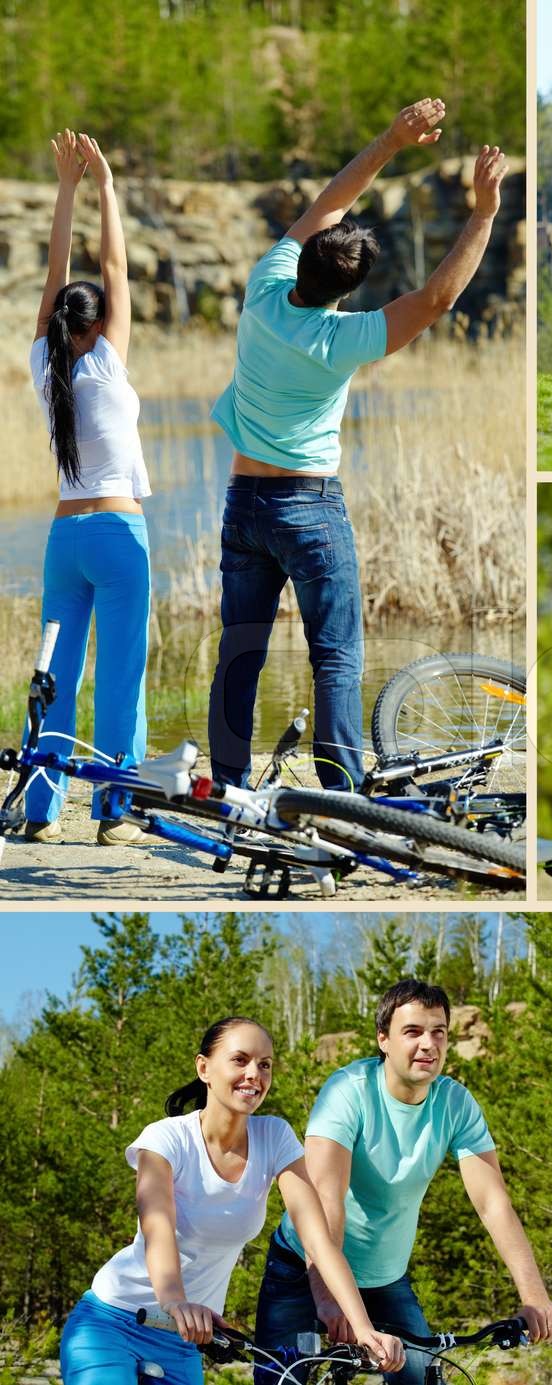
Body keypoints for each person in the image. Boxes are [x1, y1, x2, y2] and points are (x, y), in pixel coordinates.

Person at [207, 99, 508, 793]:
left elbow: (327, 202)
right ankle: (340, 801)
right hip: (308, 507)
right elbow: (435, 300)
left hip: (242, 501)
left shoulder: (265, 285)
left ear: (304, 259)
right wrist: (484, 212)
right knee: (336, 657)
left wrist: (390, 138)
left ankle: (226, 789)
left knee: (239, 653)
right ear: (350, 289)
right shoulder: (340, 340)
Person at [58, 1017, 406, 1385]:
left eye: (265, 1064)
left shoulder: (274, 1136)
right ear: (204, 1068)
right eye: (240, 1060)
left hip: (181, 1341)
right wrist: (175, 1301)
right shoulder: (165, 1139)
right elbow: (157, 1224)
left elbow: (319, 1242)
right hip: (111, 1323)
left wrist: (363, 1328)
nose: (255, 1074)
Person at [252, 979, 552, 1385]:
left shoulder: (455, 1103)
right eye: (413, 1032)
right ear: (384, 1039)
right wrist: (330, 1298)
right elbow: (326, 1202)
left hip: (385, 1277)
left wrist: (534, 1296)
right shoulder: (348, 1091)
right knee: (282, 1378)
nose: (428, 1044)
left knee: (420, 1377)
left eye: (439, 1033)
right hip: (303, 1267)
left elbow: (493, 1204)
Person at [23, 131, 151, 846]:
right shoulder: (105, 362)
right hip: (117, 533)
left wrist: (64, 189)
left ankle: (39, 812)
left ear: (56, 325)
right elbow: (115, 264)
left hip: (61, 538)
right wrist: (103, 184)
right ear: (97, 324)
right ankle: (115, 814)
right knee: (122, 677)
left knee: (54, 676)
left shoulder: (46, 364)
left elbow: (59, 270)